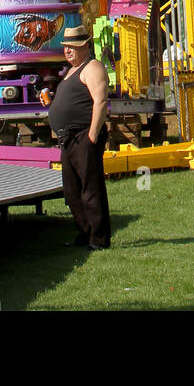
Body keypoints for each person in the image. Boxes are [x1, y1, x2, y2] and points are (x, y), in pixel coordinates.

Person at [47, 24, 111, 249]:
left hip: (84, 135)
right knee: (72, 190)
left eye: (72, 47)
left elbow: (100, 101)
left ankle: (99, 239)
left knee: (90, 189)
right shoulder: (71, 71)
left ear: (85, 46)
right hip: (68, 139)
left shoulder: (92, 67)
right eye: (66, 47)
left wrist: (92, 136)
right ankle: (85, 233)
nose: (68, 51)